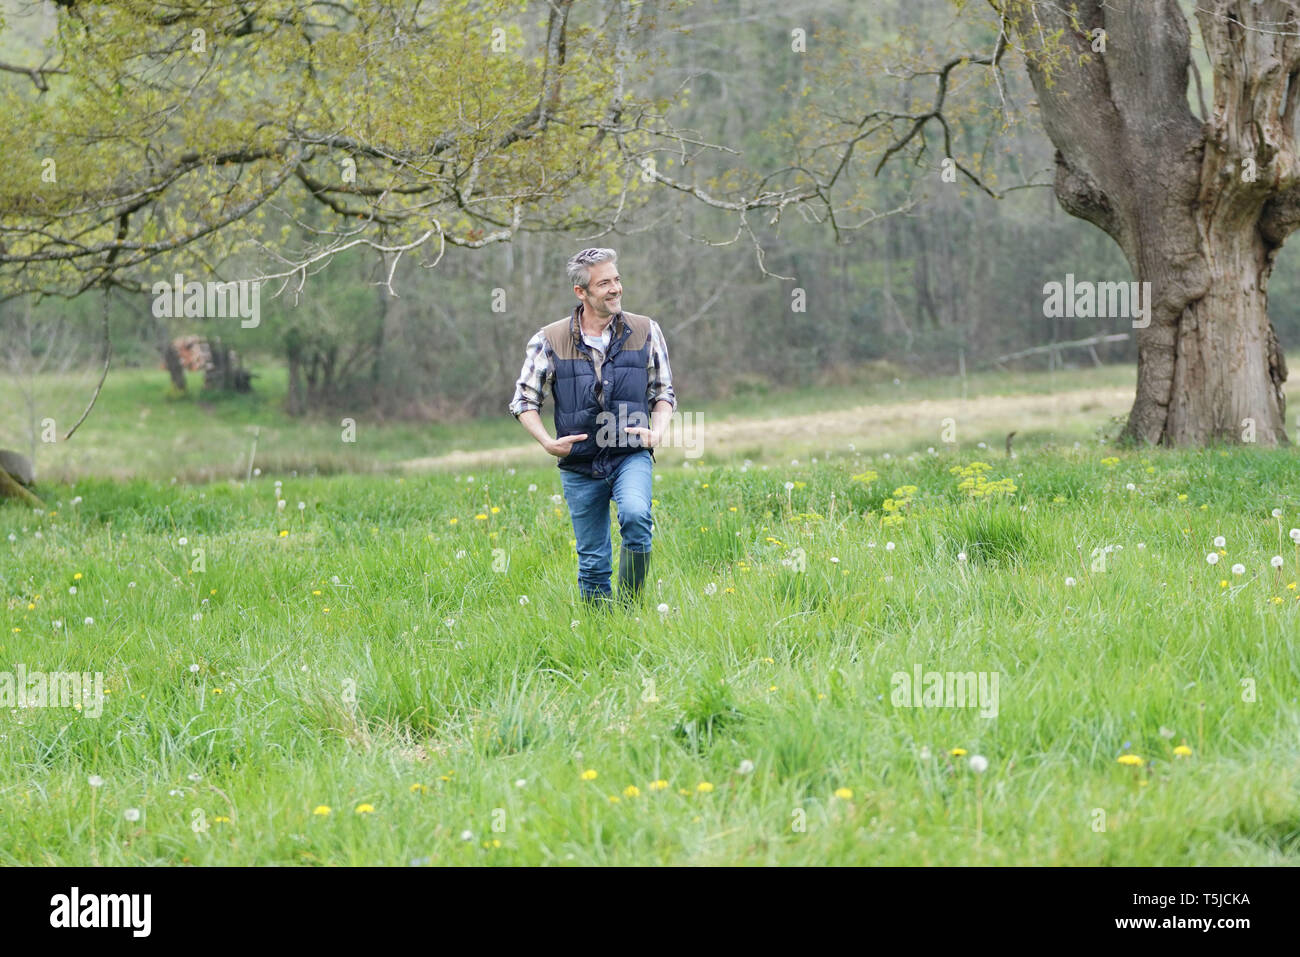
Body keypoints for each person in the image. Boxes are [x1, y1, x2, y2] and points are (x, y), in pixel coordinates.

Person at [509, 248, 677, 609]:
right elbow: (524, 400)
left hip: (630, 454)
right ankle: (601, 630)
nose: (615, 288)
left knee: (635, 516)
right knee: (594, 560)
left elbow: (663, 393)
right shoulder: (549, 339)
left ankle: (630, 609)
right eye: (604, 283)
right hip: (579, 463)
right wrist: (547, 442)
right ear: (581, 292)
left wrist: (657, 431)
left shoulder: (646, 330)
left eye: (616, 279)